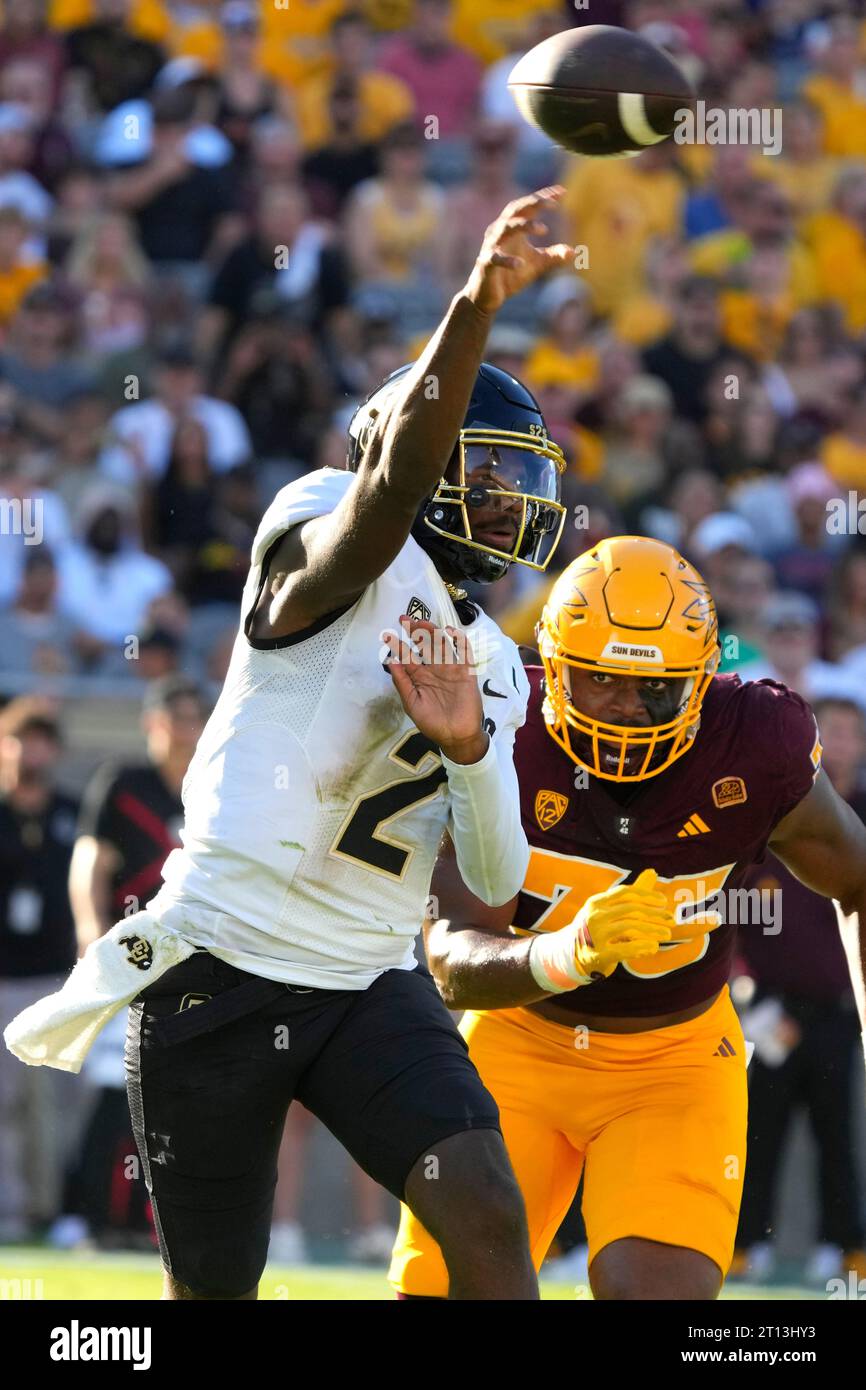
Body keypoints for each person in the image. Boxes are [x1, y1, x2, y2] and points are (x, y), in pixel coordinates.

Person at [6, 186, 576, 1302]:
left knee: (491, 1216)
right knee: (214, 1293)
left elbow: (500, 883)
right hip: (222, 963)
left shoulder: (497, 659)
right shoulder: (327, 526)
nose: (511, 506)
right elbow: (391, 492)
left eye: (521, 481)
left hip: (368, 975)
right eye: (490, 473)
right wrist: (472, 304)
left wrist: (467, 748)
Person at [389, 535, 866, 1300]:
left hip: (673, 1060)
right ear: (548, 663)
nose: (622, 709)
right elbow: (448, 959)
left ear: (704, 678)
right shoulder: (502, 730)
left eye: (654, 689)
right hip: (518, 1040)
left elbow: (859, 880)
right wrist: (568, 953)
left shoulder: (754, 744)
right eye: (597, 680)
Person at [0, 699, 79, 1240]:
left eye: (42, 739)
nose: (32, 751)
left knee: (53, 1108)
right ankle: (9, 1211)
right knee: (4, 1104)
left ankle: (50, 1211)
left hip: (57, 980)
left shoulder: (71, 814)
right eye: (21, 738)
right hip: (2, 976)